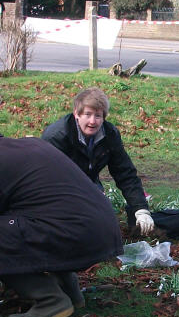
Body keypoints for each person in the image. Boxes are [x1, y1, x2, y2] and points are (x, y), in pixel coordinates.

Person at [0, 130, 123, 317]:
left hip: (75, 233)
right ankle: (71, 292)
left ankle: (51, 301)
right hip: (101, 229)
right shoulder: (33, 145)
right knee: (32, 220)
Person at [41, 87, 156, 234]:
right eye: (87, 114)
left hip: (90, 188)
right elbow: (49, 181)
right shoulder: (57, 137)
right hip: (57, 192)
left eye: (98, 116)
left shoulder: (110, 134)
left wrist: (141, 209)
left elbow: (125, 173)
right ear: (76, 113)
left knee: (104, 225)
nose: (92, 121)